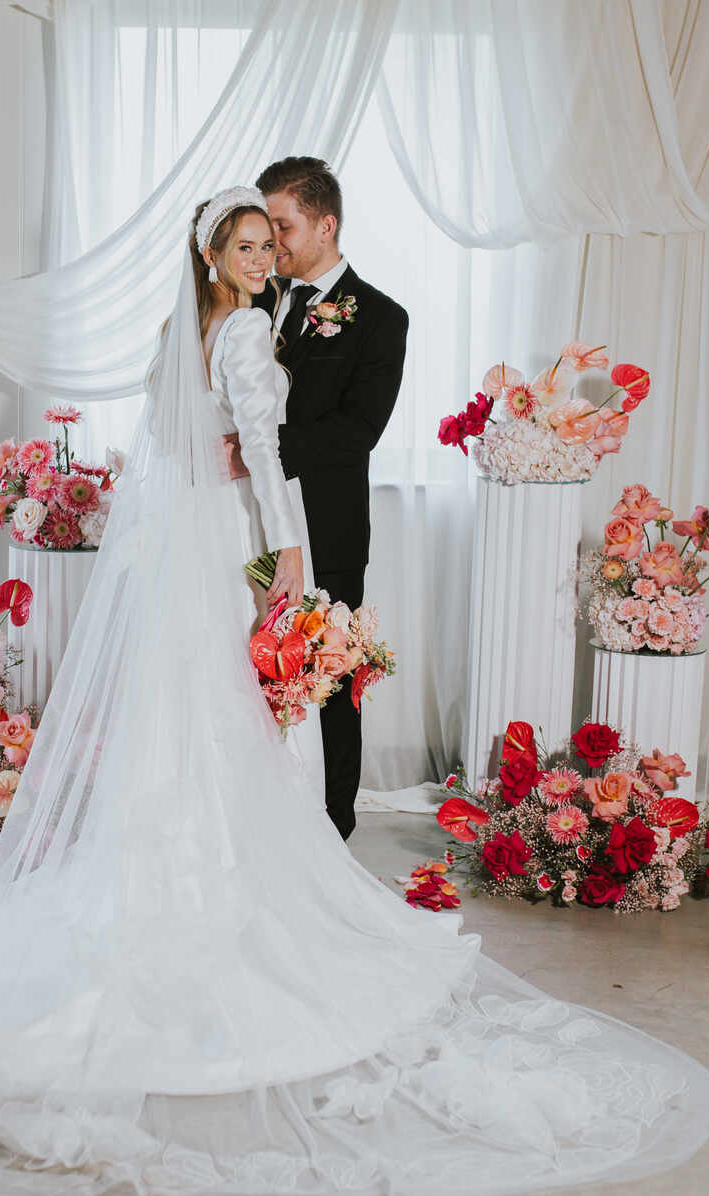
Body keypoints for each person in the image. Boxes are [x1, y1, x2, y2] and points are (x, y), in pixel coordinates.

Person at [0, 187, 709, 1196]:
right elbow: (267, 444)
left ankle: (165, 875)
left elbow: (178, 444)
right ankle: (221, 894)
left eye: (266, 243)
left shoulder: (186, 327)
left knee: (185, 716)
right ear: (215, 258)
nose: (260, 258)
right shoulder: (244, 328)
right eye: (245, 245)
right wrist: (286, 551)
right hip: (224, 539)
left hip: (176, 541)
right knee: (223, 716)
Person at [228, 156, 403, 841]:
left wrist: (258, 449)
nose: (273, 244)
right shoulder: (254, 302)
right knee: (253, 668)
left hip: (326, 529)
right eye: (265, 229)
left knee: (329, 682)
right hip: (253, 526)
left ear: (325, 225)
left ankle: (333, 828)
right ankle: (261, 820)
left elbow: (359, 430)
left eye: (284, 226)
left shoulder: (381, 318)